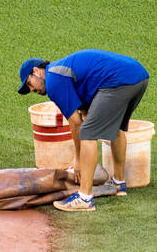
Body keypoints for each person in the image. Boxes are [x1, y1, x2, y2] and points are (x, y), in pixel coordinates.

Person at [16, 50, 149, 211]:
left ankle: (84, 197)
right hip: (139, 77)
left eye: (29, 83)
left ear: (36, 71)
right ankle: (119, 184)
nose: (31, 90)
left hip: (117, 81)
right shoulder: (62, 70)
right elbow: (85, 105)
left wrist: (78, 159)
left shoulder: (53, 79)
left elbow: (75, 123)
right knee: (116, 128)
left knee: (87, 132)